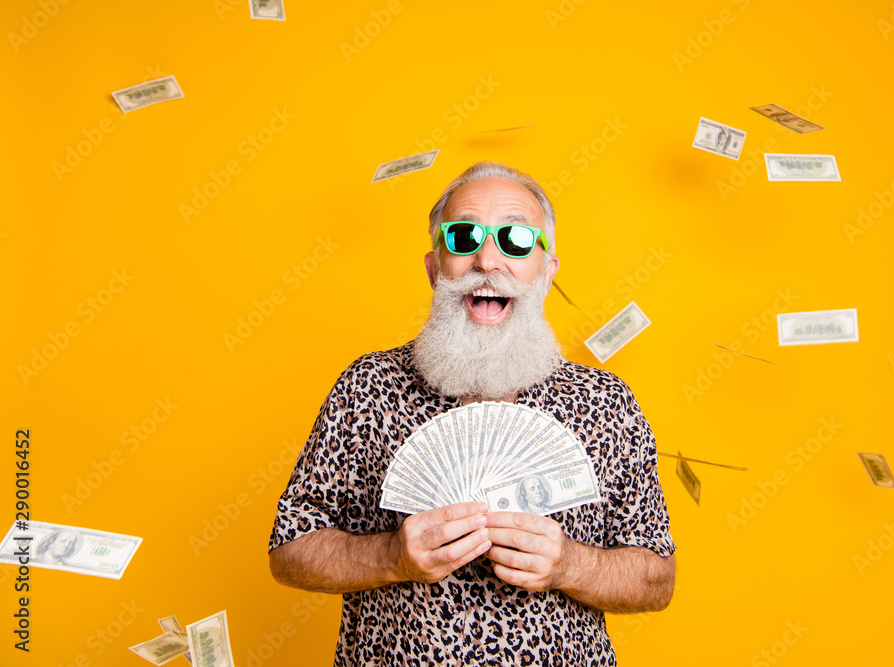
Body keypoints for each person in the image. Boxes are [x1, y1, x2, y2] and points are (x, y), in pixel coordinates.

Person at [269, 161, 676, 666]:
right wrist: (390, 558)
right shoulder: (367, 388)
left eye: (516, 240)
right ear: (435, 267)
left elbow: (657, 579)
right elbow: (289, 550)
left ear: (547, 273)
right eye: (463, 237)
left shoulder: (605, 403)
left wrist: (570, 563)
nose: (488, 259)